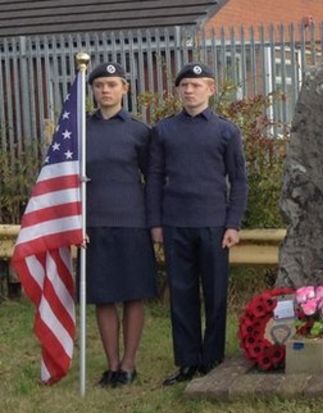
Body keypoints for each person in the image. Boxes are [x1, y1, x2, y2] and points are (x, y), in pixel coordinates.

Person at [146, 63, 248, 386]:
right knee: (182, 293)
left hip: (215, 226)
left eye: (196, 85)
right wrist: (156, 223)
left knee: (216, 294)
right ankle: (188, 361)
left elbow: (240, 181)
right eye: (184, 85)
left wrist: (233, 223)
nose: (189, 90)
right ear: (178, 91)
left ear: (211, 89)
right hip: (176, 224)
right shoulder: (163, 131)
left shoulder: (226, 131)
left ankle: (213, 359)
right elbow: (154, 179)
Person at [85, 62, 157, 387]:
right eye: (100, 85)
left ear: (125, 89)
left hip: (132, 223)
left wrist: (154, 223)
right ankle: (111, 365)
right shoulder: (81, 131)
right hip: (94, 225)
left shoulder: (140, 131)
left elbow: (152, 179)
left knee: (133, 295)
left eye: (112, 85)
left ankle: (129, 364)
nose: (105, 91)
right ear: (93, 91)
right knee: (103, 296)